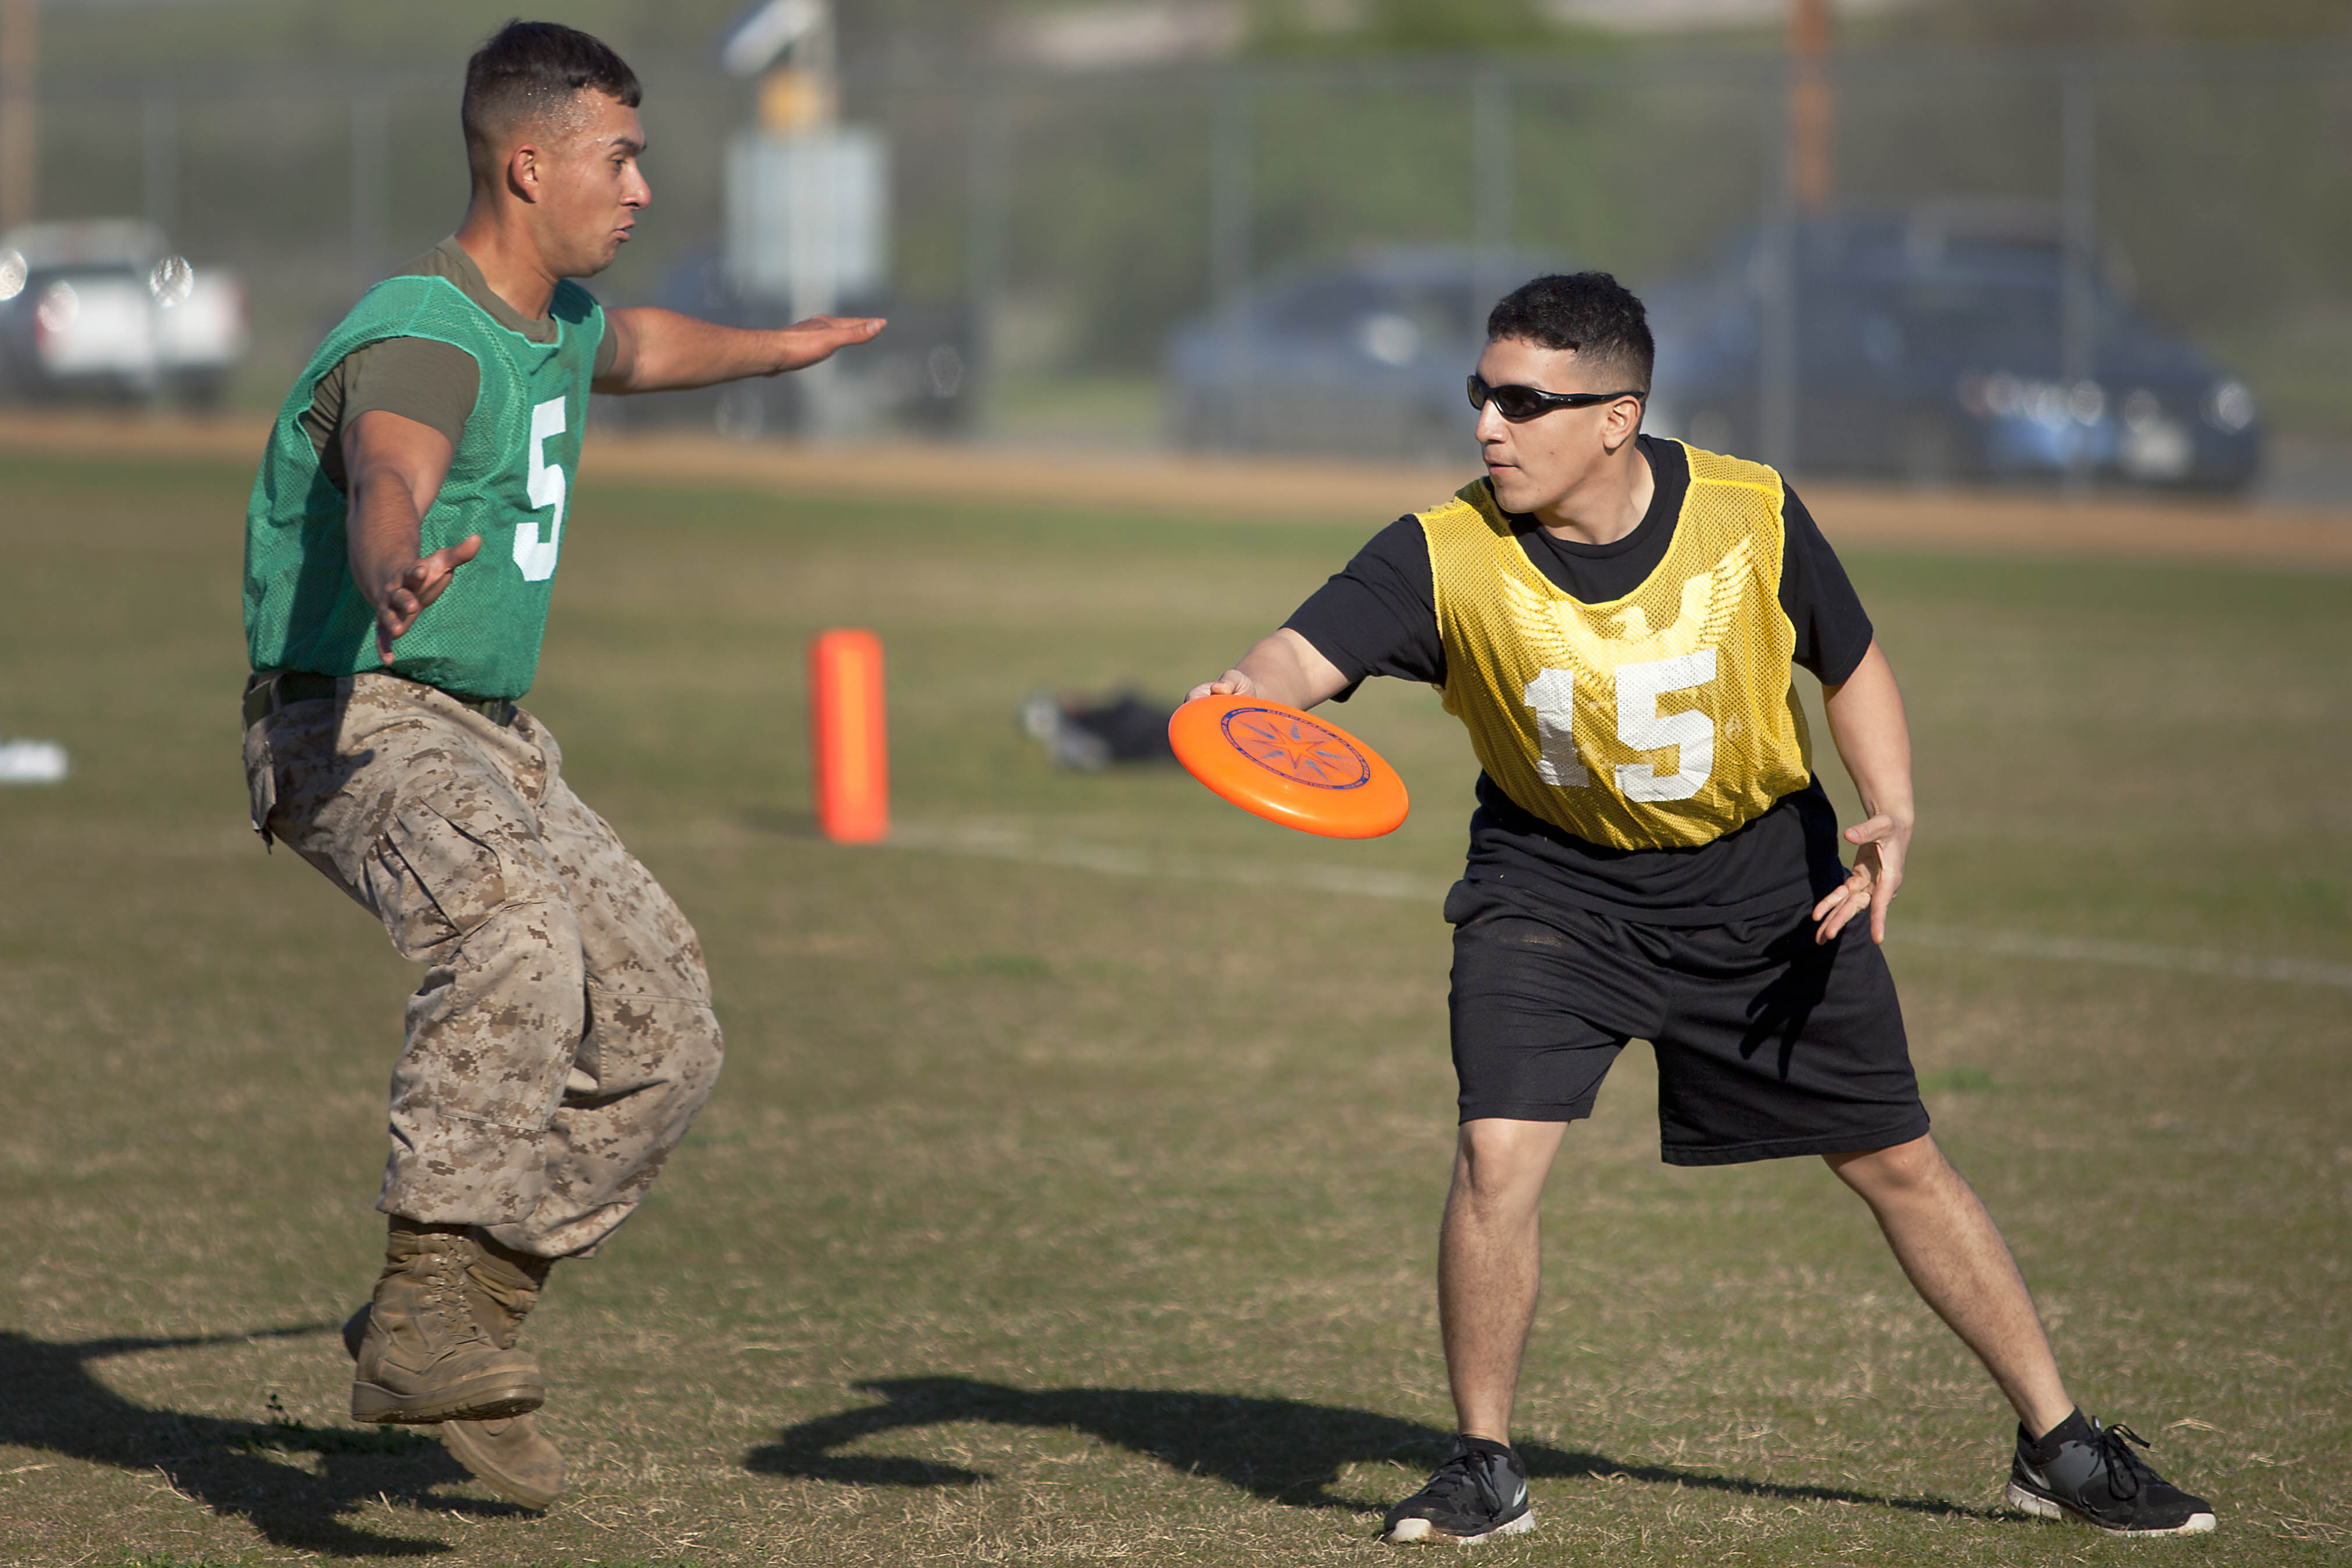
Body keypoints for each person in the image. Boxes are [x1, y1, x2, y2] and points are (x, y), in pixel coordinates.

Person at [1187, 273, 2215, 1544]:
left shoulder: (1750, 510)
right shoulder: (1443, 550)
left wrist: (1889, 802)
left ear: (1618, 417)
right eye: (1480, 395)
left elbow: (1849, 656)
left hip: (1760, 886)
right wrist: (1251, 689)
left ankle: (2060, 1447)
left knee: (1893, 1157)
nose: (1487, 428)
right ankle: (1482, 1463)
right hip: (1548, 886)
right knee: (1497, 1154)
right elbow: (1303, 654)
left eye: (1522, 401)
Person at [239, 21, 882, 1510]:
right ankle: (423, 1301)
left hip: (491, 739)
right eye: (621, 156)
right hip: (350, 716)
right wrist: (390, 558)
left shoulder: (557, 324)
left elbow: (644, 345)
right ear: (528, 165)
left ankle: (457, 1315)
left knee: (666, 1035)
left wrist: (786, 349)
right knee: (515, 935)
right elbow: (394, 459)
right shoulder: (422, 331)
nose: (642, 186)